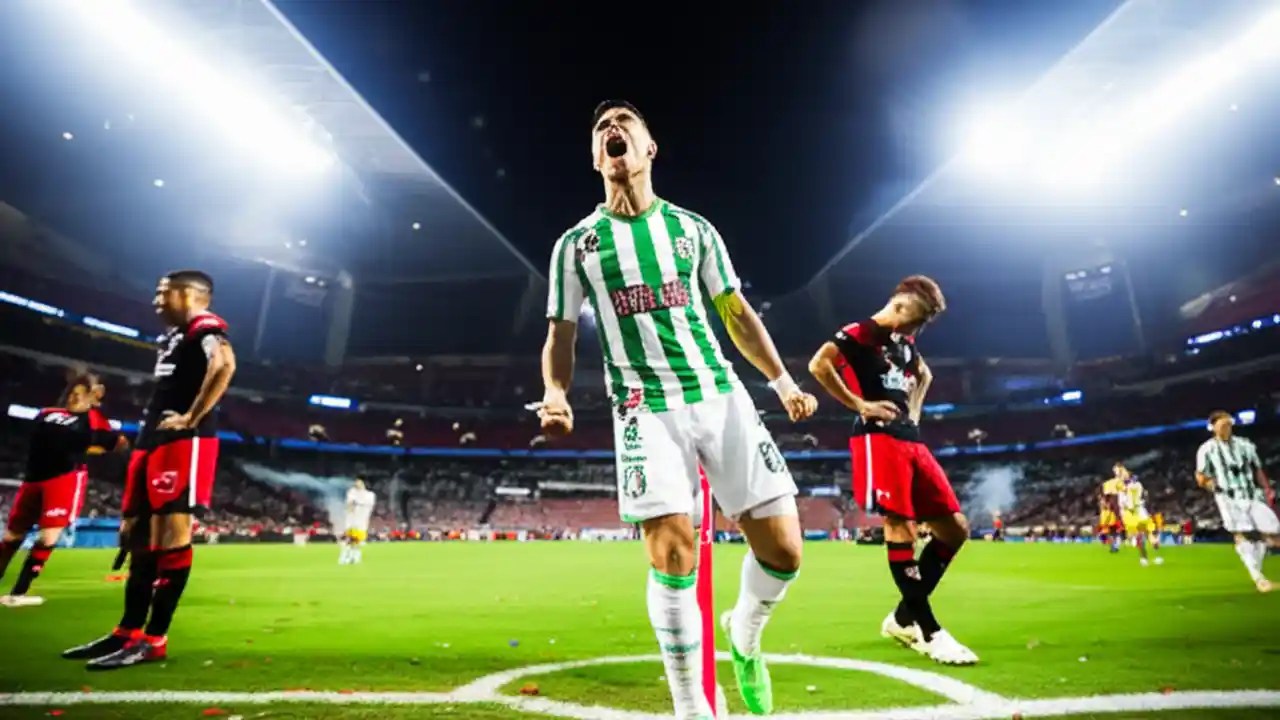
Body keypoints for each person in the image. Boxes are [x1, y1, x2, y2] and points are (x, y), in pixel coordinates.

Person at [538, 100, 817, 718]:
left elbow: (736, 314)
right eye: (601, 129)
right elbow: (561, 331)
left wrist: (782, 382)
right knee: (672, 552)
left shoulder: (693, 230)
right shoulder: (576, 245)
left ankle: (743, 632)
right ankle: (694, 709)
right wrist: (556, 393)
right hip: (642, 408)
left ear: (649, 148)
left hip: (719, 395)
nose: (612, 131)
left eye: (624, 125)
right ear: (595, 157)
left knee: (785, 552)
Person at [63, 270, 236, 668]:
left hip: (182, 442)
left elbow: (224, 364)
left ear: (193, 296)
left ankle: (154, 640)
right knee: (136, 535)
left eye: (165, 293)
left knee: (169, 537)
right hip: (151, 441)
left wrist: (192, 416)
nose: (156, 301)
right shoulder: (172, 337)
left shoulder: (206, 327)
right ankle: (127, 633)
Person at [807, 275, 977, 666]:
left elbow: (925, 375)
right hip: (877, 439)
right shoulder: (859, 333)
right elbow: (820, 365)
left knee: (955, 529)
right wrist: (859, 404)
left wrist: (915, 412)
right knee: (900, 526)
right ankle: (930, 632)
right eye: (916, 320)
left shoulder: (905, 342)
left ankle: (903, 618)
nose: (916, 330)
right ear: (900, 306)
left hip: (911, 440)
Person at [0, 372, 124, 607]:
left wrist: (86, 448)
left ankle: (19, 592)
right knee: (11, 536)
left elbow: (117, 444)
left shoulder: (94, 418)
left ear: (89, 397)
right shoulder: (47, 413)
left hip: (64, 479)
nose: (74, 398)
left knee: (47, 537)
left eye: (80, 394)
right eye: (72, 394)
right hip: (32, 479)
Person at [1195, 410, 1277, 592]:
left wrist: (1267, 489)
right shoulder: (1207, 449)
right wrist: (1210, 485)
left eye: (1229, 424)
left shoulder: (1245, 445)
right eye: (1223, 425)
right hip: (1228, 497)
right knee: (1243, 534)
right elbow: (1200, 476)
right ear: (1213, 428)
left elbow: (1258, 469)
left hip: (1252, 495)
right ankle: (1259, 578)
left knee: (1272, 530)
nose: (1227, 428)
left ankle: (1259, 571)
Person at [1115, 463, 1162, 567]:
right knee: (1149, 534)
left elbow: (1122, 488)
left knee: (1139, 536)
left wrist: (1119, 475)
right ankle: (1157, 556)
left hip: (1132, 512)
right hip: (1141, 510)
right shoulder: (1138, 485)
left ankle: (1144, 558)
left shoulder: (1126, 486)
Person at [340, 477, 377, 565]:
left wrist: (358, 503)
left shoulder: (370, 495)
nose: (358, 484)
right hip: (352, 520)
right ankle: (345, 556)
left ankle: (355, 556)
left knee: (358, 541)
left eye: (360, 482)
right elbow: (349, 505)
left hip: (362, 520)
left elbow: (370, 506)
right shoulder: (352, 492)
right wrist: (351, 507)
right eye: (356, 482)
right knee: (350, 540)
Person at [1099, 472, 1125, 553]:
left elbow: (1110, 505)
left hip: (1108, 515)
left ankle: (1114, 545)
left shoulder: (1106, 497)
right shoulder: (1107, 497)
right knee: (1111, 532)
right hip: (1108, 514)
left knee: (1110, 531)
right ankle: (1114, 545)